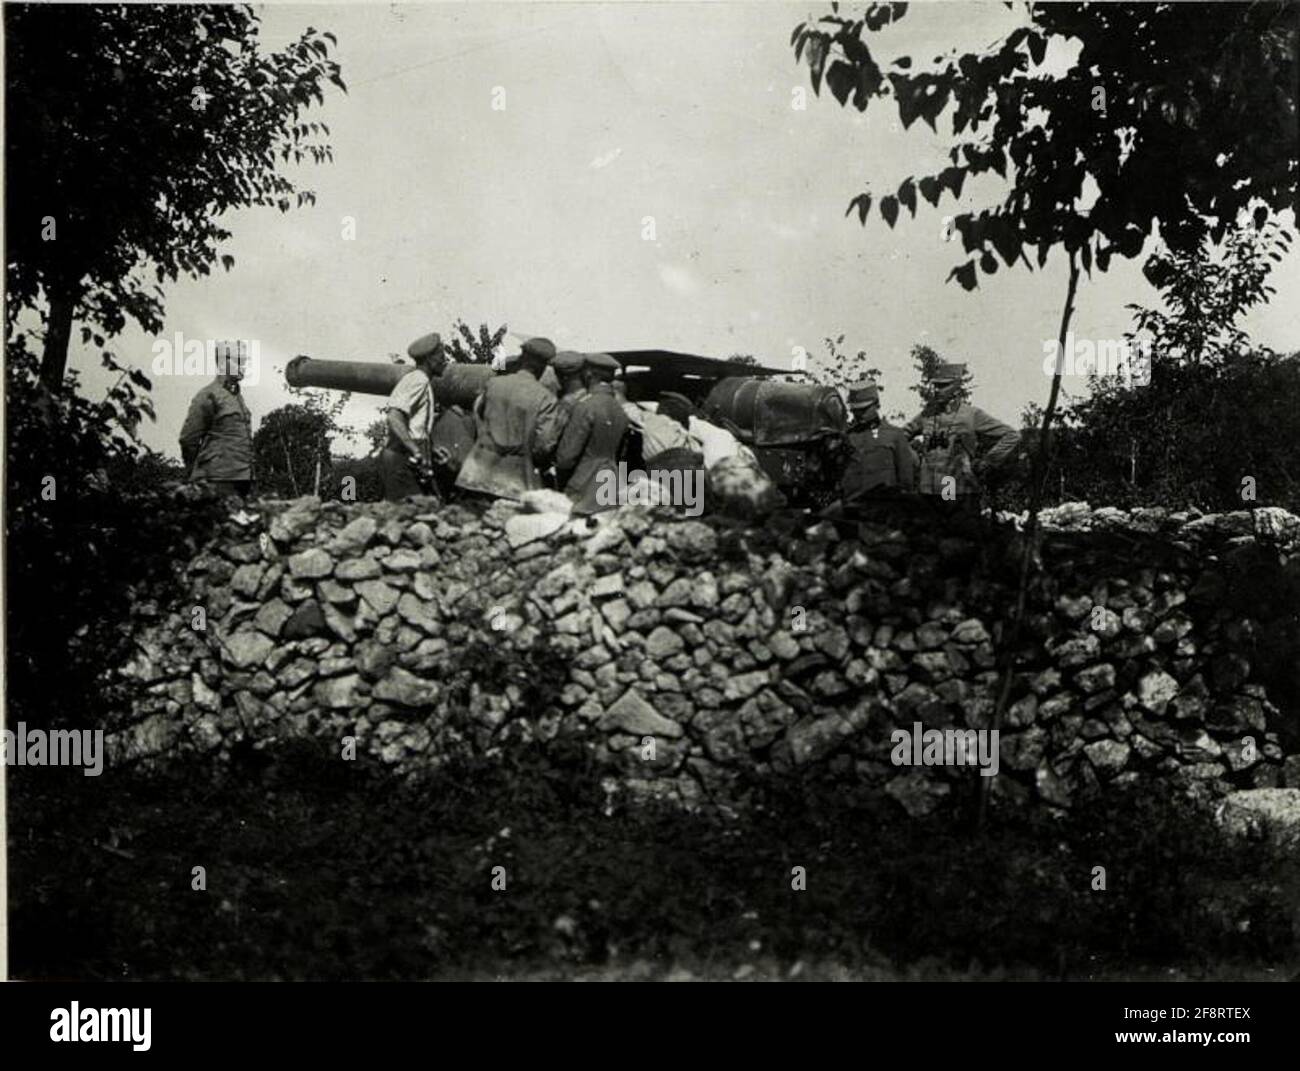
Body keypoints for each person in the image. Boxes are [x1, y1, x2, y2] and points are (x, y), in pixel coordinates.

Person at [456, 337, 562, 500]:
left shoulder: (493, 384)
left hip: (476, 472)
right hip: (513, 480)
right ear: (543, 366)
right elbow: (543, 445)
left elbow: (478, 414)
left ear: (522, 358)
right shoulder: (546, 398)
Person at [904, 361, 1019, 503]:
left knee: (954, 523)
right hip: (928, 490)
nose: (937, 390)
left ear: (957, 387)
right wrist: (917, 461)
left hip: (959, 491)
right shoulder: (927, 415)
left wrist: (987, 462)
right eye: (936, 386)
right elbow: (899, 438)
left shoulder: (971, 415)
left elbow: (1012, 435)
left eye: (943, 386)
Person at [380, 332, 450, 502]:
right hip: (401, 459)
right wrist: (415, 449)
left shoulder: (420, 380)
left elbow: (414, 425)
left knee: (421, 510)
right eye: (441, 356)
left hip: (405, 457)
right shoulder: (418, 380)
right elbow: (394, 416)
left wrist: (431, 449)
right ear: (430, 359)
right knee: (411, 513)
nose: (445, 360)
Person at [555, 353, 629, 514]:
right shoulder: (621, 410)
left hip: (583, 483)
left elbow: (565, 458)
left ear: (588, 374)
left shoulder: (586, 406)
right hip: (611, 484)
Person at [178, 340, 254, 499]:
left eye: (244, 361)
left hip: (242, 480)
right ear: (223, 362)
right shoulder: (208, 395)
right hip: (218, 480)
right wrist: (196, 471)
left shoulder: (237, 397)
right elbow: (188, 439)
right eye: (239, 361)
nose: (244, 366)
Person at [839, 380, 917, 501]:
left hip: (885, 508)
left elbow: (906, 480)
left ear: (876, 404)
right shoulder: (846, 438)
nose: (859, 414)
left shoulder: (894, 435)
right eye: (856, 410)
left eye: (864, 409)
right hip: (853, 507)